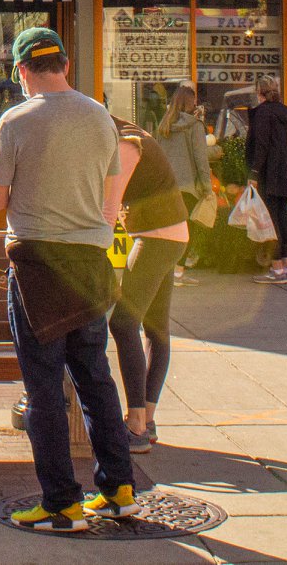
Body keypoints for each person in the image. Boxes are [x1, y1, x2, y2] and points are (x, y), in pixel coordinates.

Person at [0, 26, 135, 532]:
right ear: (65, 65)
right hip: (91, 263)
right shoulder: (99, 117)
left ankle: (61, 503)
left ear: (22, 70)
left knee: (44, 388)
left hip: (37, 267)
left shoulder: (17, 119)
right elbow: (110, 193)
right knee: (95, 377)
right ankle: (118, 488)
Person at [103, 117, 188, 454]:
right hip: (171, 236)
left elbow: (110, 205)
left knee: (123, 324)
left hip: (156, 239)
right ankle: (147, 420)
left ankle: (136, 424)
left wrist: (92, 245)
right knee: (156, 331)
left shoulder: (126, 145)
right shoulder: (135, 135)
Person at [151, 83, 211, 285]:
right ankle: (178, 272)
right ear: (191, 103)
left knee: (170, 230)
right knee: (188, 231)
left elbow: (158, 156)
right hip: (188, 186)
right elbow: (200, 159)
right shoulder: (194, 125)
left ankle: (169, 271)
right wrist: (207, 187)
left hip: (167, 186)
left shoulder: (164, 125)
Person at [247, 77, 287, 285]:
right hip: (285, 166)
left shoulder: (262, 113)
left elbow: (261, 146)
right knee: (282, 215)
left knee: (270, 219)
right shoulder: (283, 112)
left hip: (269, 170)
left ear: (259, 92)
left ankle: (276, 268)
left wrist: (253, 173)